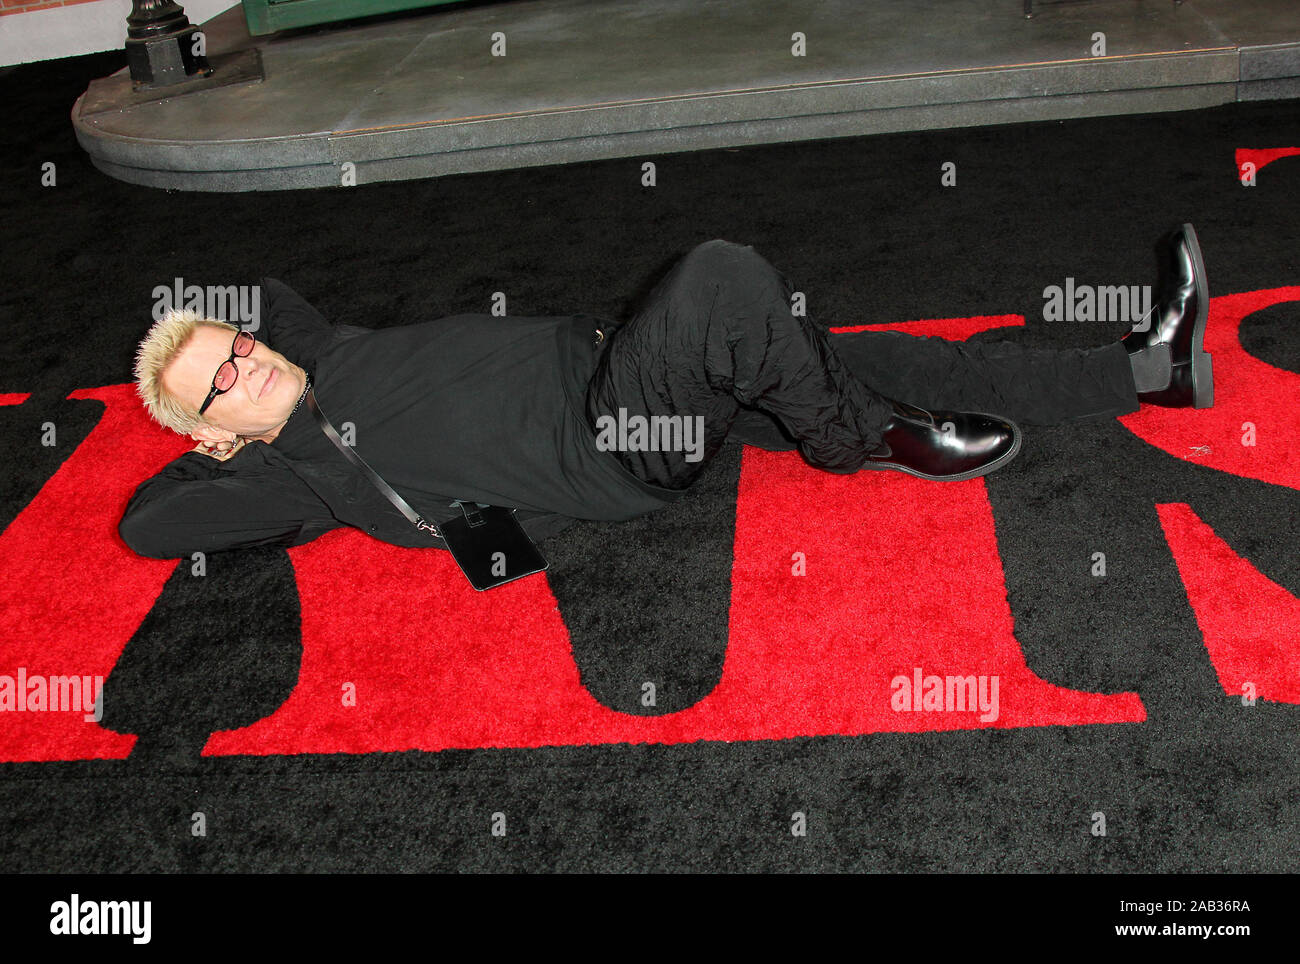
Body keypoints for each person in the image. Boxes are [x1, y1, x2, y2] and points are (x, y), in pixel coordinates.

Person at [118, 225, 1211, 559]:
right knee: (723, 277)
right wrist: (238, 434)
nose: (238, 364)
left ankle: (1149, 368)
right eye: (216, 386)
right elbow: (147, 525)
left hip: (620, 364)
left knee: (890, 352)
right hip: (611, 443)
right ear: (216, 438)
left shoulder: (318, 348)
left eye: (231, 346)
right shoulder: (294, 471)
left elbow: (264, 294)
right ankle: (856, 440)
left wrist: (209, 332)